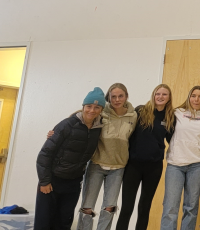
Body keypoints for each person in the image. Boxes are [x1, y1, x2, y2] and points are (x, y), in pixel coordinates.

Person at [35, 88, 105, 230]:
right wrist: (44, 181)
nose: (92, 110)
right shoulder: (67, 124)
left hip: (73, 183)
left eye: (97, 107)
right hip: (53, 181)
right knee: (44, 222)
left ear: (101, 109)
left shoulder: (99, 128)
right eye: (89, 106)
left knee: (64, 222)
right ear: (83, 107)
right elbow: (45, 154)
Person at [77, 83, 137, 230]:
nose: (117, 100)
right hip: (96, 164)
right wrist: (55, 132)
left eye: (120, 96)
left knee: (109, 208)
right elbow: (79, 116)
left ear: (126, 96)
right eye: (113, 96)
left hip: (118, 167)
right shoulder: (101, 112)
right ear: (108, 98)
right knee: (87, 207)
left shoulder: (133, 116)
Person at [116, 84, 175, 230]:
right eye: (158, 93)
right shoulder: (140, 110)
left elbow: (173, 140)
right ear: (153, 95)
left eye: (164, 94)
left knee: (145, 207)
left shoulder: (170, 117)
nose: (160, 97)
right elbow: (125, 129)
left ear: (169, 98)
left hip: (154, 167)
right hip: (133, 165)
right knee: (127, 206)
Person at [161, 85, 200, 230]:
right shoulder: (177, 112)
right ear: (189, 97)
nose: (196, 99)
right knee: (170, 207)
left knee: (191, 207)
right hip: (175, 165)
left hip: (196, 166)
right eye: (193, 96)